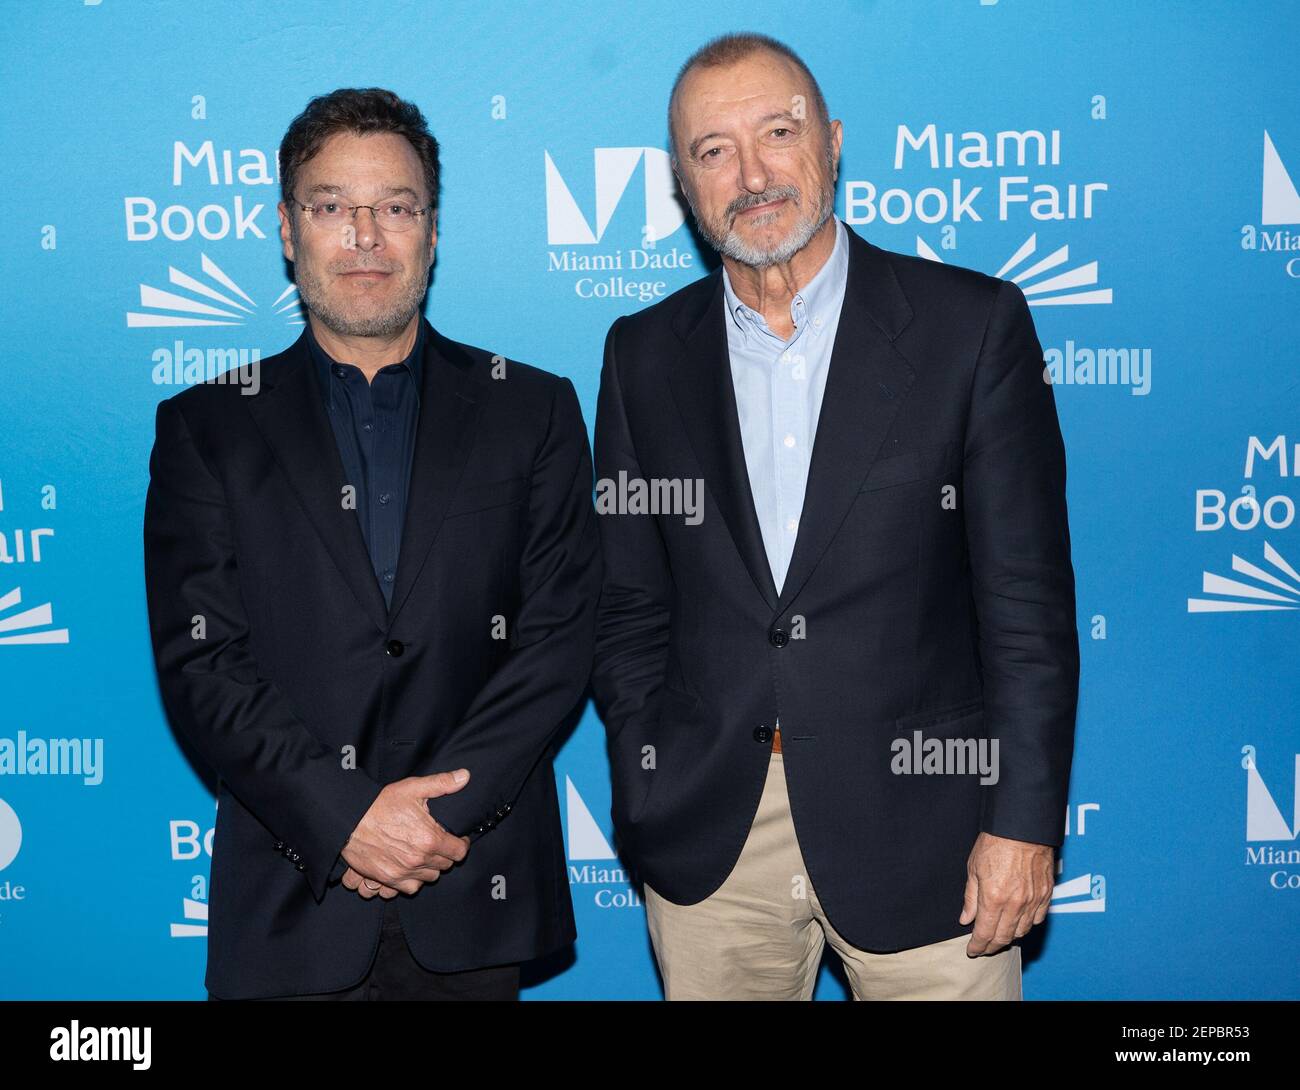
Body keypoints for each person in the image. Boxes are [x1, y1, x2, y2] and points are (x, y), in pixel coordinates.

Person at [592, 33, 1079, 1000]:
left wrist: (1023, 825)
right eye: (714, 149)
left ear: (835, 141)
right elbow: (628, 606)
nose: (754, 172)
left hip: (933, 832)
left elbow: (1025, 607)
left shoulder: (971, 328)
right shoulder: (642, 354)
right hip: (712, 840)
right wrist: (647, 778)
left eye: (779, 130)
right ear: (684, 185)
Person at [144, 87, 599, 1000]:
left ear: (432, 231)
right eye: (331, 208)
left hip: (473, 884)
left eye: (395, 208)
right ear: (286, 229)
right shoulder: (206, 427)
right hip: (292, 897)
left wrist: (434, 821)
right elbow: (204, 667)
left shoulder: (532, 409)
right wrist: (344, 818)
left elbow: (560, 638)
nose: (365, 237)